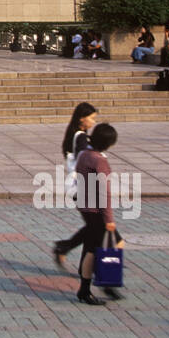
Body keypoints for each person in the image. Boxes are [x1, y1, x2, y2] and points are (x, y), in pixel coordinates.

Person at [52, 102, 109, 266]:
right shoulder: (82, 138)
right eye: (91, 118)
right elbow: (88, 159)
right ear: (81, 119)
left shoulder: (73, 135)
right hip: (85, 187)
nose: (93, 122)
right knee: (98, 227)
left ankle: (66, 249)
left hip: (78, 187)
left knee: (94, 227)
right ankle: (68, 249)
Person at [74, 123, 124, 304]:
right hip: (96, 211)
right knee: (95, 250)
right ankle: (88, 288)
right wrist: (109, 219)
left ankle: (102, 282)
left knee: (97, 246)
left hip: (86, 208)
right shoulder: (99, 160)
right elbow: (104, 193)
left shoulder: (84, 155)